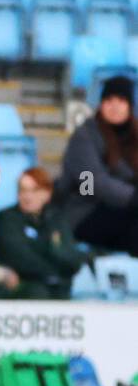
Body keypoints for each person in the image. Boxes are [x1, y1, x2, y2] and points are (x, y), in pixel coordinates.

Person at [52, 76, 138, 258]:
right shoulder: (84, 136)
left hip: (123, 209)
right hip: (84, 211)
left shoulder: (134, 135)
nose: (115, 106)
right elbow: (91, 184)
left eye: (121, 101)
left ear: (130, 105)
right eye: (109, 100)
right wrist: (132, 197)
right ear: (101, 104)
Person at [0, 166, 87, 300]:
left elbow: (73, 259)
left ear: (47, 193)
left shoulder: (57, 220)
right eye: (22, 190)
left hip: (60, 288)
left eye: (34, 190)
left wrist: (49, 251)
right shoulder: (6, 219)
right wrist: (53, 263)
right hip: (25, 290)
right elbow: (18, 257)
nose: (27, 196)